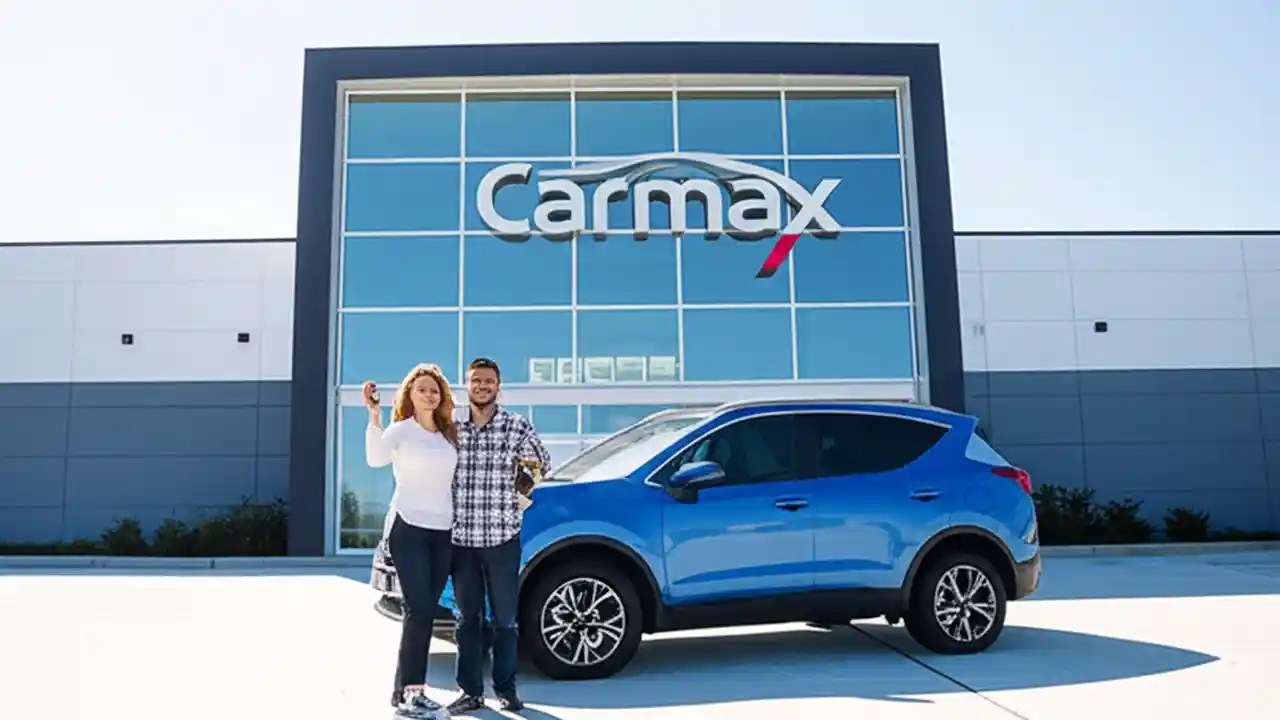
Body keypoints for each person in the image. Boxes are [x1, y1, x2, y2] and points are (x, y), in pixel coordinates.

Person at [446, 357, 552, 715]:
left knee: (505, 620)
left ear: (498, 386)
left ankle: (506, 691)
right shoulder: (452, 426)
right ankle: (470, 692)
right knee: (467, 620)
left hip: (503, 538)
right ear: (467, 385)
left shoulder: (516, 426)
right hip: (461, 541)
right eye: (476, 380)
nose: (482, 386)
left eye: (488, 381)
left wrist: (520, 495)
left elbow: (541, 464)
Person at [363, 363, 460, 720]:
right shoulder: (400, 430)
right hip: (410, 530)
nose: (429, 394)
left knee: (421, 613)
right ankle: (414, 695)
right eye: (421, 388)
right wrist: (374, 416)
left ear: (442, 396)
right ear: (410, 394)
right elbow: (374, 459)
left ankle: (401, 693)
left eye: (434, 389)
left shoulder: (449, 434)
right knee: (419, 610)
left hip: (444, 533)